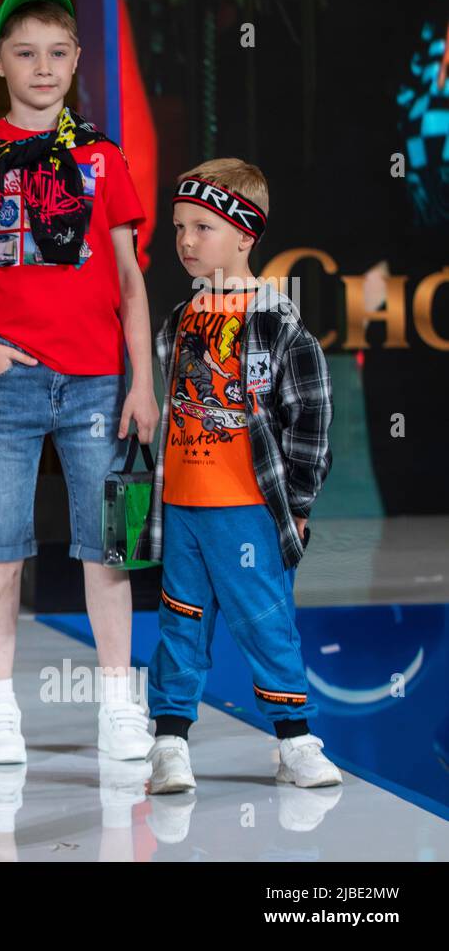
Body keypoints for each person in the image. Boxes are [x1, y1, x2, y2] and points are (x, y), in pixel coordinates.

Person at [0, 0, 158, 765]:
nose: (41, 68)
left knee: (111, 550)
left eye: (57, 53)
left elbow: (131, 281)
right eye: (24, 52)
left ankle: (119, 703)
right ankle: (0, 710)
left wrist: (143, 383)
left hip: (98, 384)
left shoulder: (102, 156)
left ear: (75, 62)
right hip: (7, 386)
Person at [137, 158, 342, 792]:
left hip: (248, 507)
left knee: (266, 621)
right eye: (178, 228)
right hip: (182, 506)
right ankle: (169, 741)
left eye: (203, 227)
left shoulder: (279, 322)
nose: (186, 242)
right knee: (178, 622)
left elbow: (310, 415)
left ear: (246, 236)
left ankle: (296, 741)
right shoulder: (178, 320)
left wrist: (299, 501)